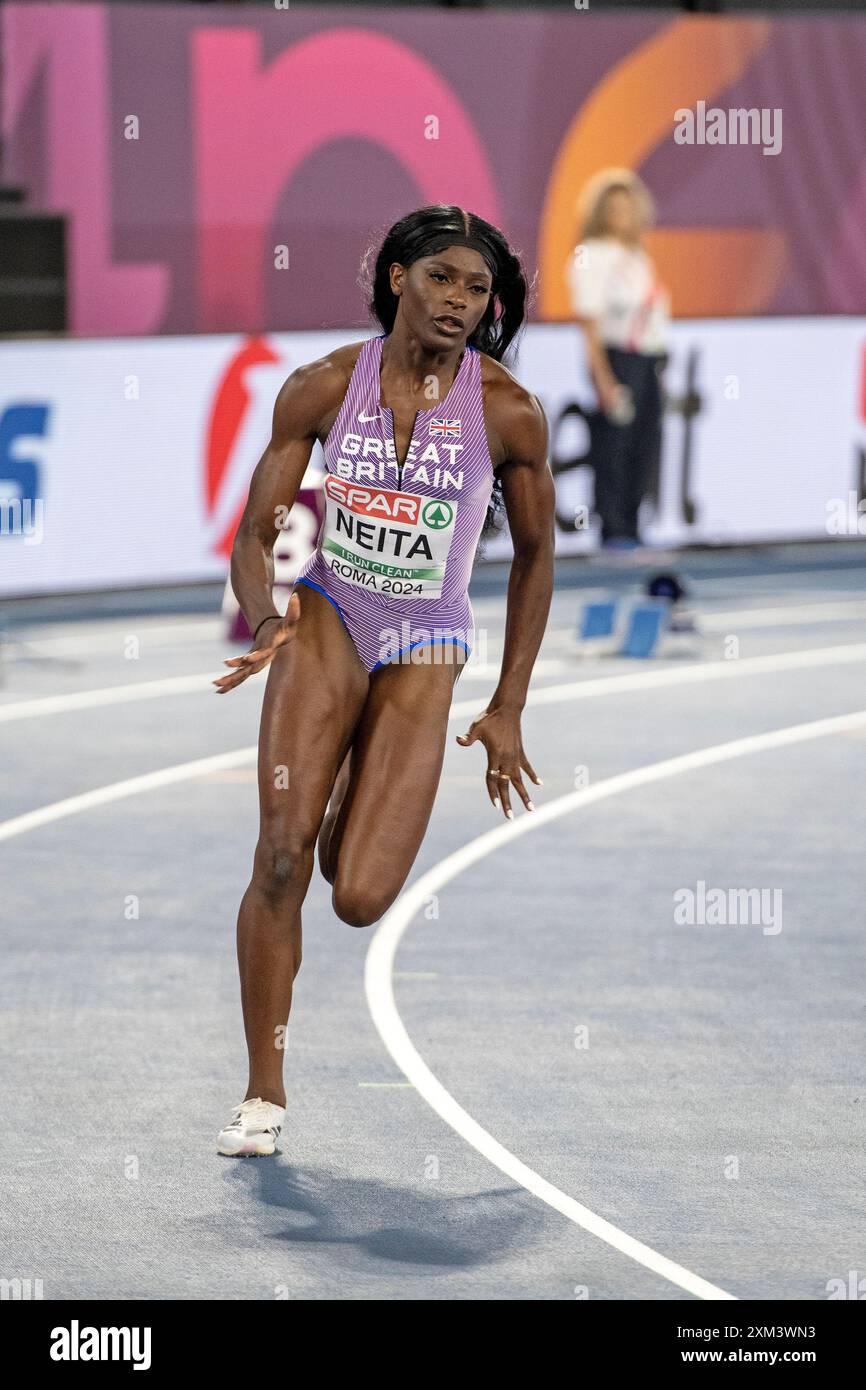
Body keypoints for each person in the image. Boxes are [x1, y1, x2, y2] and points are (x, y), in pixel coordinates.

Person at [211, 205, 555, 1156]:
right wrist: (272, 620)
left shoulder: (508, 410)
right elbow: (254, 535)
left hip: (428, 641)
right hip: (330, 615)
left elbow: (536, 558)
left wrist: (509, 705)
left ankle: (347, 793)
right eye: (441, 277)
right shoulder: (322, 389)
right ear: (398, 276)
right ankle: (262, 1095)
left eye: (478, 288)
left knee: (358, 895)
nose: (459, 301)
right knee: (279, 857)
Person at [567, 169, 670, 549]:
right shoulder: (591, 256)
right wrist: (603, 378)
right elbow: (589, 323)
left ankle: (632, 525)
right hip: (615, 359)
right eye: (613, 208)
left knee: (645, 442)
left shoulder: (637, 256)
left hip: (646, 360)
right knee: (615, 445)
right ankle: (612, 529)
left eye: (627, 208)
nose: (621, 215)